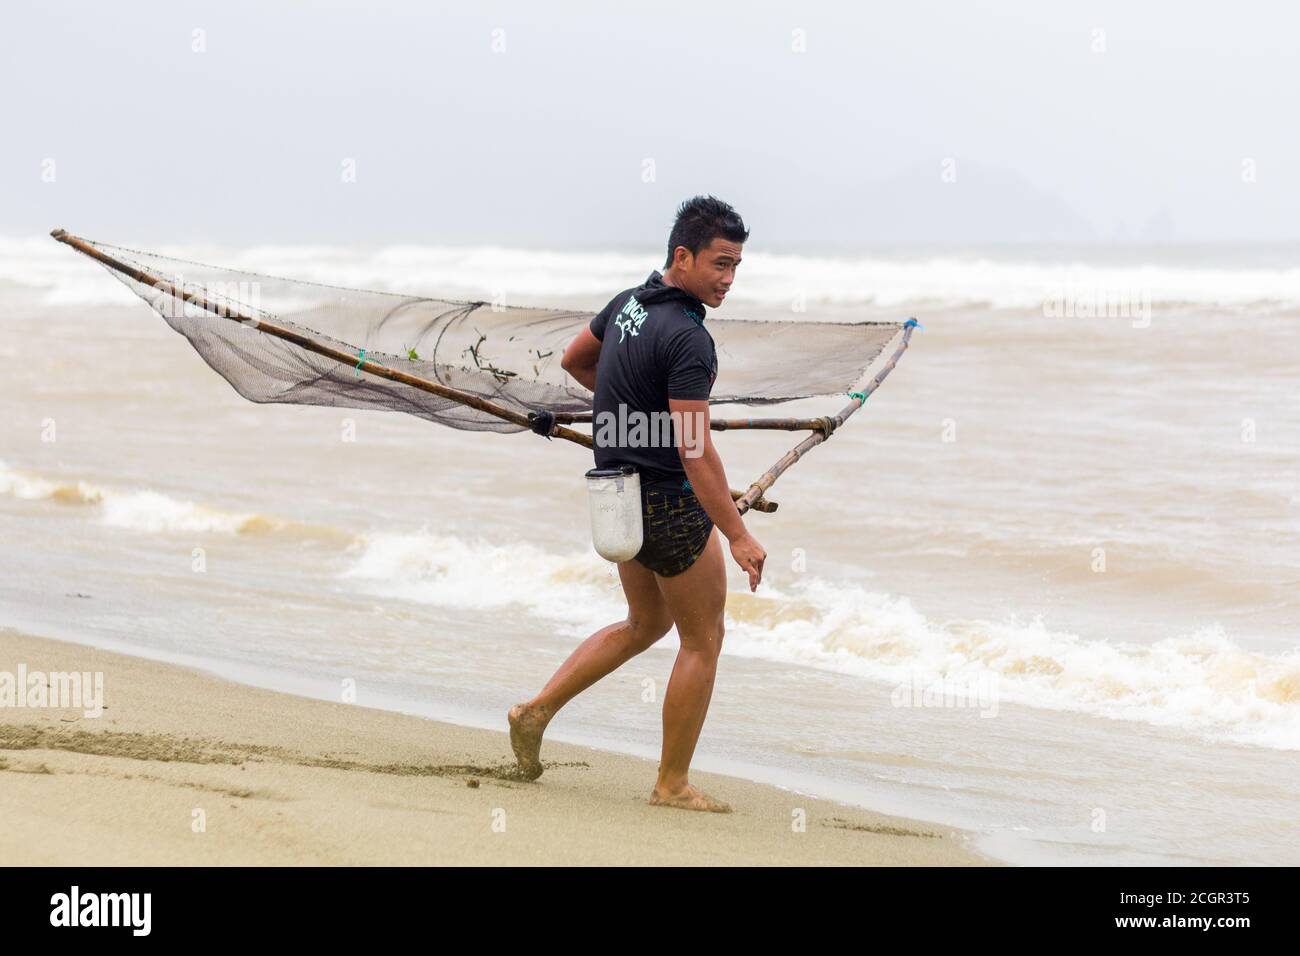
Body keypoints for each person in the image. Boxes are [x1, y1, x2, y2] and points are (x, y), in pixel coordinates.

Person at [508, 195, 766, 812]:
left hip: (616, 494)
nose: (729, 279)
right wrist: (737, 534)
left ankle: (535, 710)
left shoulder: (627, 304)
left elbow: (576, 361)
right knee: (702, 641)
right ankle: (671, 784)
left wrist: (632, 413)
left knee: (645, 623)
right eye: (719, 264)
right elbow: (697, 453)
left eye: (737, 266)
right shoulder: (690, 340)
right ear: (683, 256)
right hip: (669, 506)